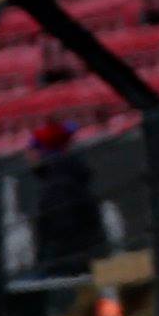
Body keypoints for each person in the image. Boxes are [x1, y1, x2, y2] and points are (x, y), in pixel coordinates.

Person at [30, 118, 104, 279]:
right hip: (75, 265)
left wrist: (51, 266)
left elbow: (64, 232)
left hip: (67, 270)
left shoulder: (59, 185)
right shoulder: (66, 177)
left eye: (33, 149)